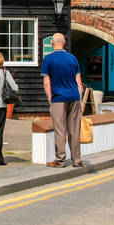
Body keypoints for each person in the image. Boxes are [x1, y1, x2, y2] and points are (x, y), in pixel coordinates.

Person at [41, 32, 84, 168]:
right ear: (64, 42)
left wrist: (50, 98)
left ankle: (60, 160)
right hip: (74, 97)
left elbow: (47, 82)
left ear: (52, 43)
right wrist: (81, 100)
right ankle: (77, 160)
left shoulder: (48, 59)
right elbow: (79, 82)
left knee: (60, 129)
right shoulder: (73, 59)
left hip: (58, 97)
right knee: (74, 129)